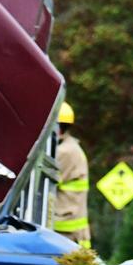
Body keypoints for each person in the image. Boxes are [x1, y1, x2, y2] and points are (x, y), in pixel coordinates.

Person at [53, 101, 91, 248]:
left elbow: (41, 182)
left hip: (66, 232)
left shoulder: (66, 152)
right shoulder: (70, 147)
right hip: (69, 231)